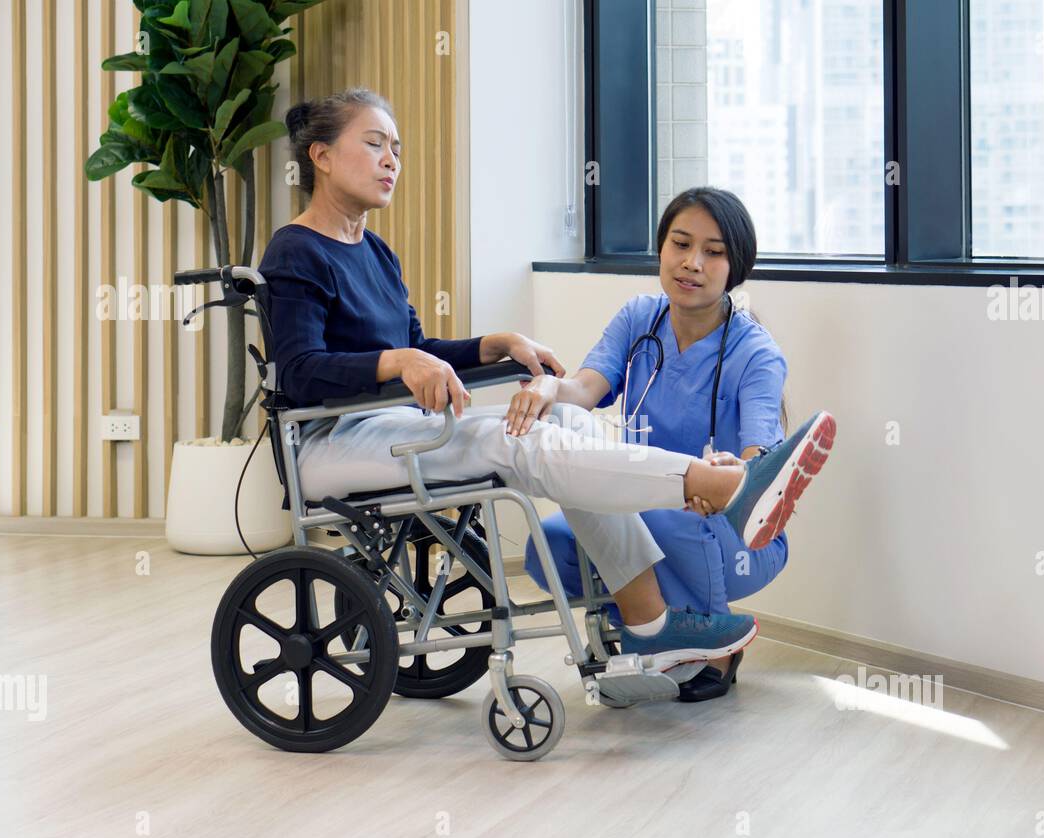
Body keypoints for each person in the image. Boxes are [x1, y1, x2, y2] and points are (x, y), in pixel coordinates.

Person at [257, 88, 834, 673]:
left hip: (399, 428)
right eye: (375, 144)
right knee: (511, 437)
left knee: (563, 416)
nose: (391, 161)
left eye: (397, 150)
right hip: (331, 442)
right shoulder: (295, 251)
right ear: (321, 157)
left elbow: (424, 350)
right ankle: (719, 488)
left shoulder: (377, 255)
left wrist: (498, 343)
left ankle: (647, 618)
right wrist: (399, 362)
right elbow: (301, 373)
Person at [515, 187, 807, 701]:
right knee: (550, 545)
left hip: (734, 536)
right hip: (645, 506)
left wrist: (728, 472)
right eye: (681, 243)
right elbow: (583, 390)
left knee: (661, 515)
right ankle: (642, 628)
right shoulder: (639, 318)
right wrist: (546, 386)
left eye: (714, 252)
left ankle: (716, 642)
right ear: (662, 248)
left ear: (736, 265)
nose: (692, 263)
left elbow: (760, 461)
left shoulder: (756, 353)